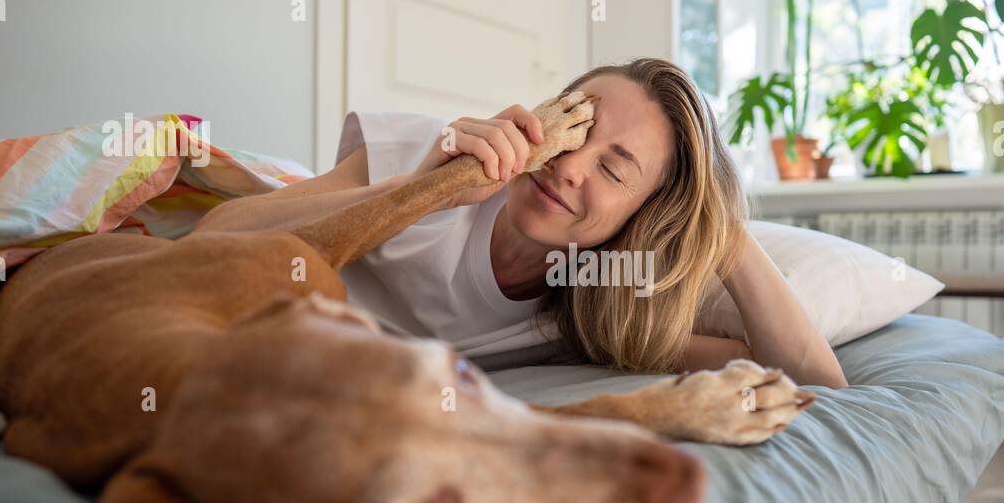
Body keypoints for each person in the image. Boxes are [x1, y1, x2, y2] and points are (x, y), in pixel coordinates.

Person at [199, 58, 847, 387]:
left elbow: (814, 379)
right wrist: (426, 190)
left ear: (637, 220)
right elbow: (215, 242)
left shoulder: (588, 311)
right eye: (574, 129)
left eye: (613, 171)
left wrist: (720, 229)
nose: (569, 168)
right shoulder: (432, 150)